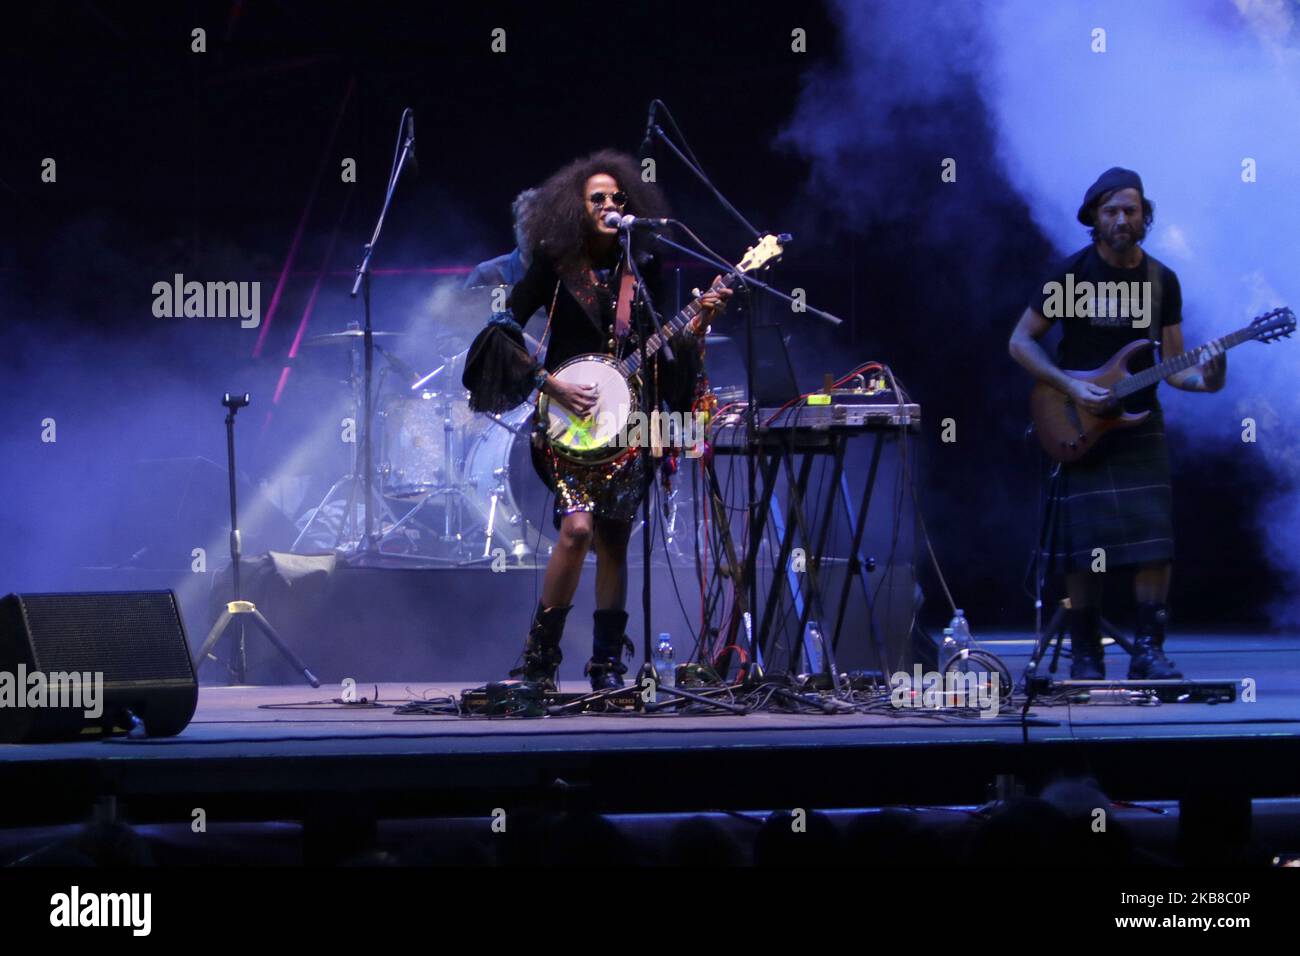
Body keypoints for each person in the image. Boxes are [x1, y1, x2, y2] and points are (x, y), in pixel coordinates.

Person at [462, 149, 730, 690]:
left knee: (614, 539)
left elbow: (665, 350)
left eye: (616, 197)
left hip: (627, 424)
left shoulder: (643, 266)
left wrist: (698, 321)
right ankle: (540, 661)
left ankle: (606, 664)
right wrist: (548, 382)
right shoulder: (552, 262)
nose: (609, 205)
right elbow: (500, 328)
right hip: (566, 421)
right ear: (577, 208)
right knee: (576, 529)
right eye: (597, 198)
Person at [1008, 167, 1225, 679]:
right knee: (1085, 550)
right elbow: (1019, 341)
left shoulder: (1160, 281)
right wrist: (1069, 386)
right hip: (1077, 422)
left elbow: (1176, 369)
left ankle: (1149, 651)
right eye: (1111, 211)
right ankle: (1087, 653)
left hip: (1139, 423)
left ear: (1145, 217)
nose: (1122, 219)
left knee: (1156, 544)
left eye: (1131, 210)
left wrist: (1209, 379)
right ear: (1094, 219)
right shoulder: (1071, 278)